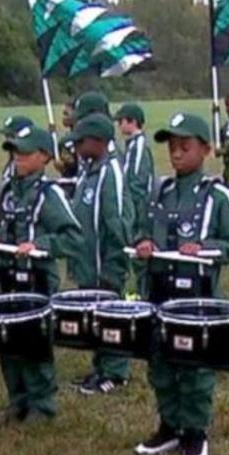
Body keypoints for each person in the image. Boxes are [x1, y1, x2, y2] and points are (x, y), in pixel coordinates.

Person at [134, 112, 229, 455]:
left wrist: (205, 246)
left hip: (195, 297)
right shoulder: (161, 191)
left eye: (185, 146)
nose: (176, 154)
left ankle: (195, 431)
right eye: (172, 147)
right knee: (160, 361)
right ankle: (169, 425)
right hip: (158, 290)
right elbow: (141, 229)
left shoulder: (215, 194)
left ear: (205, 149)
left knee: (194, 366)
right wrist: (142, 243)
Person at [0, 125, 82, 423]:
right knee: (6, 340)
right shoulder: (9, 191)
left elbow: (73, 238)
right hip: (8, 278)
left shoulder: (50, 195)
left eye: (25, 153)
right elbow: (8, 226)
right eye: (14, 152)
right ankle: (18, 398)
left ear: (44, 157)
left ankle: (42, 403)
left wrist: (41, 244)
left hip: (37, 280)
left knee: (33, 342)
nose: (18, 159)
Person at [66, 112, 133, 395]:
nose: (77, 148)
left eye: (81, 142)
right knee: (93, 317)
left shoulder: (111, 172)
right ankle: (100, 366)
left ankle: (116, 372)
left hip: (104, 264)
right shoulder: (89, 169)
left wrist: (115, 265)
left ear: (98, 141)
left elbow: (117, 221)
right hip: (86, 262)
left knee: (110, 317)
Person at [115, 102, 155, 229]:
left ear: (132, 122)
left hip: (139, 208)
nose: (118, 125)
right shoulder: (132, 145)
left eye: (121, 121)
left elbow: (138, 180)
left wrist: (132, 209)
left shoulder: (138, 146)